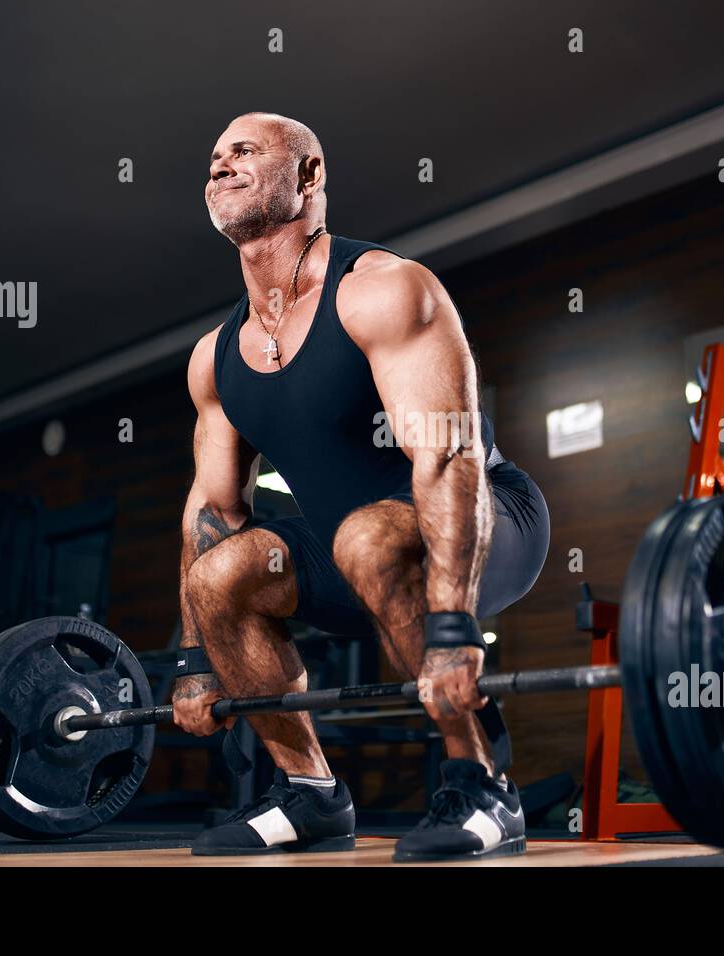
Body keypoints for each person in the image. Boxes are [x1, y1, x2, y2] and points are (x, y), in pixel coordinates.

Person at [171, 112, 550, 861]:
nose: (220, 166)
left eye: (244, 151)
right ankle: (310, 793)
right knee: (219, 573)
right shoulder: (215, 358)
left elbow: (447, 456)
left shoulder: (383, 290)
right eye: (214, 158)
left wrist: (452, 631)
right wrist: (194, 659)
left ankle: (484, 785)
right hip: (349, 550)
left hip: (486, 519)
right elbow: (211, 511)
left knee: (368, 537)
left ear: (309, 175)